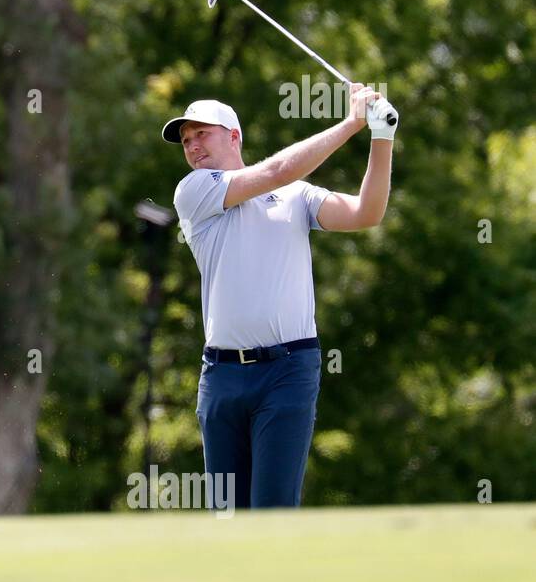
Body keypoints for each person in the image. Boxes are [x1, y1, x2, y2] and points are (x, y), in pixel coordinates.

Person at [165, 85, 395, 508]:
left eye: (202, 134)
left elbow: (368, 213)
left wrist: (381, 137)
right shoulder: (194, 192)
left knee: (272, 511)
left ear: (234, 136)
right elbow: (276, 172)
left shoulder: (297, 196)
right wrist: (352, 123)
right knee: (228, 516)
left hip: (289, 371)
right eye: (186, 140)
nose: (193, 146)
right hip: (221, 375)